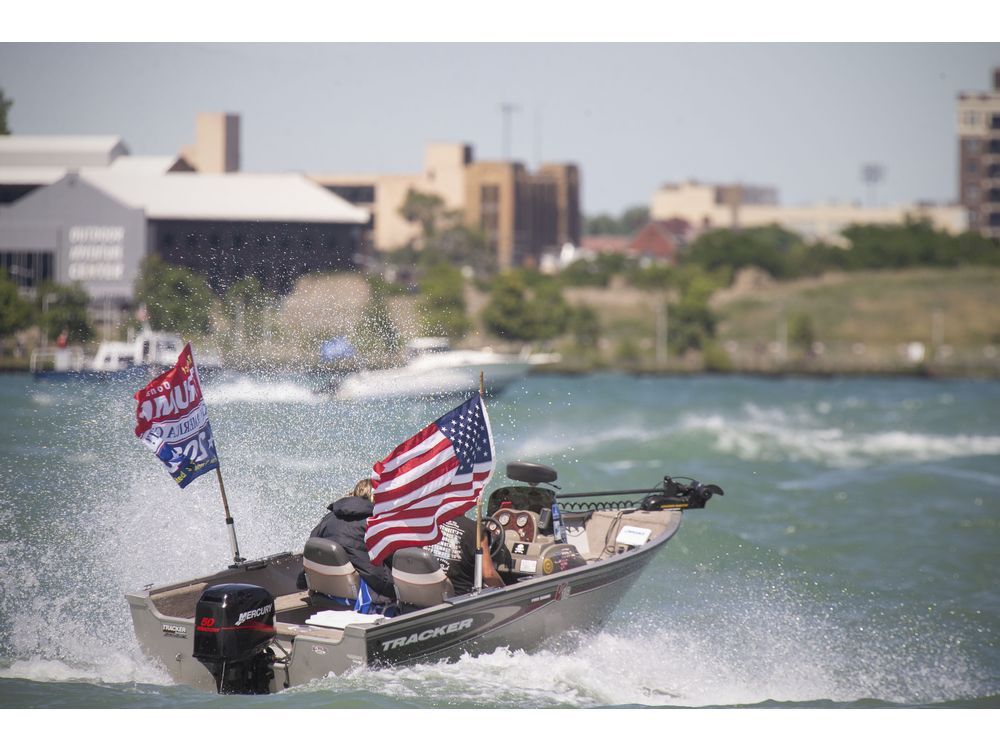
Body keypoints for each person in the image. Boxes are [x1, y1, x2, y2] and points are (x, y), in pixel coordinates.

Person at [306, 478, 396, 601]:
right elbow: (393, 560)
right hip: (369, 590)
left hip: (328, 591)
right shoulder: (374, 523)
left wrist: (302, 581)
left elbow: (311, 548)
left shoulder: (329, 517)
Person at [425, 513, 507, 596]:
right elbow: (489, 575)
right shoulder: (476, 530)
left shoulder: (426, 524)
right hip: (461, 600)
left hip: (427, 594)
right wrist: (506, 593)